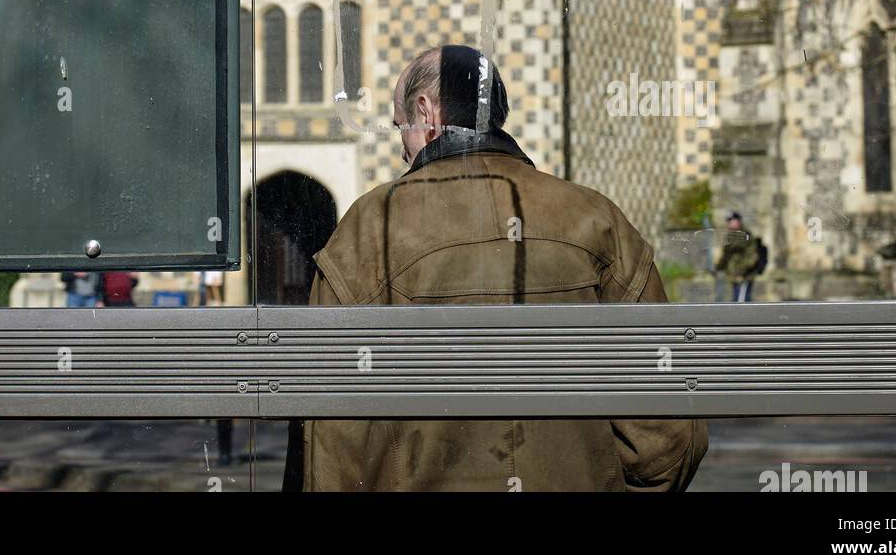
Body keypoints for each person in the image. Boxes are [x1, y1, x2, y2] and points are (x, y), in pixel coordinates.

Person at [283, 44, 708, 492]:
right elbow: (668, 432)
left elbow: (330, 438)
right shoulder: (594, 217)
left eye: (400, 128)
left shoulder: (369, 226)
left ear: (426, 114)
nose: (403, 152)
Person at [715, 212, 764, 302]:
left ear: (738, 221)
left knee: (742, 302)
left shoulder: (746, 236)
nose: (730, 223)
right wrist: (718, 268)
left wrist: (743, 270)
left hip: (744, 276)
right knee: (736, 300)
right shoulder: (730, 237)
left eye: (733, 221)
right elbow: (726, 256)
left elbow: (752, 256)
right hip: (733, 275)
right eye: (729, 221)